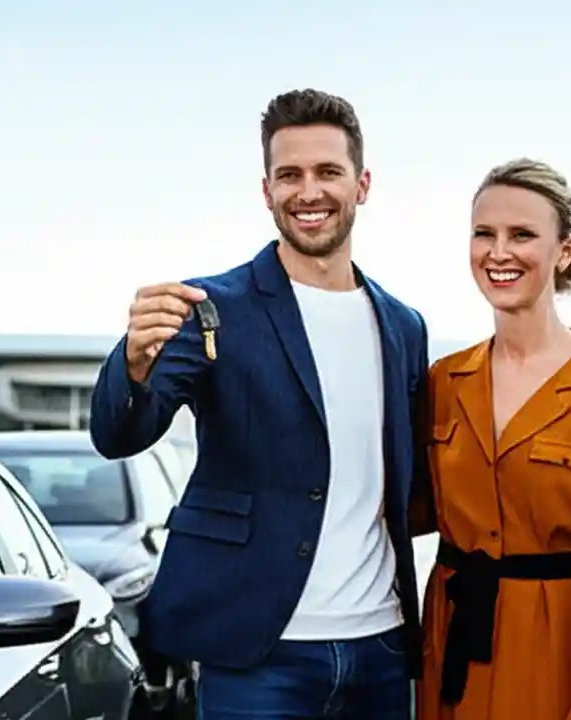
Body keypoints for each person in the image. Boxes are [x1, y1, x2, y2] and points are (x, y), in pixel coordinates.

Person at [89, 88, 432, 720]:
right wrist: (133, 363)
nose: (309, 191)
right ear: (267, 190)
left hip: (381, 648)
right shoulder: (211, 309)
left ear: (362, 184)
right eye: (289, 175)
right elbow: (119, 434)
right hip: (259, 653)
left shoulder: (403, 327)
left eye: (328, 172)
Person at [415, 158, 571, 719]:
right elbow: (399, 511)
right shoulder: (443, 381)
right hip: (454, 659)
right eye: (484, 234)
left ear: (564, 251)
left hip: (555, 663)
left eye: (522, 234)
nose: (499, 252)